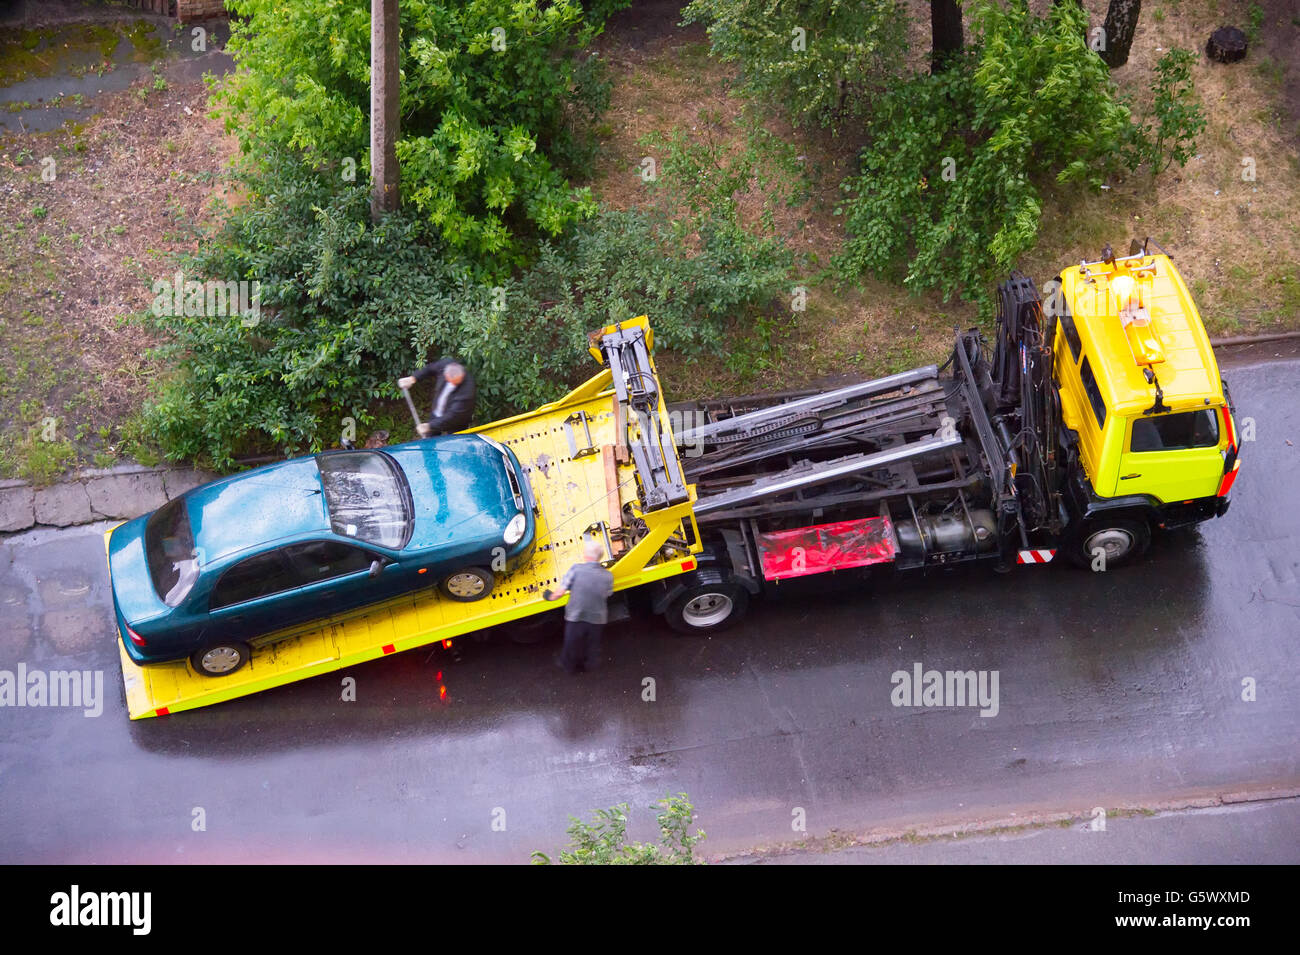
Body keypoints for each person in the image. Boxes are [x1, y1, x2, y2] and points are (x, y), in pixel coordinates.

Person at [543, 539, 614, 675]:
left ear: (586, 556)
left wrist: (548, 596)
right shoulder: (608, 576)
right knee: (591, 644)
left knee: (572, 643)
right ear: (600, 557)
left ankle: (569, 666)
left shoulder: (576, 570)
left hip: (576, 616)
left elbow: (560, 592)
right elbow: (607, 593)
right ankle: (587, 665)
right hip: (597, 619)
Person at [398, 357, 476, 437]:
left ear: (462, 376)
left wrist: (429, 426)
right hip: (437, 413)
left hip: (457, 422)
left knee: (455, 443)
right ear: (445, 374)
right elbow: (429, 368)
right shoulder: (446, 364)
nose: (452, 385)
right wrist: (413, 378)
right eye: (450, 381)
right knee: (430, 440)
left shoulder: (467, 391)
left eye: (455, 383)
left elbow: (452, 416)